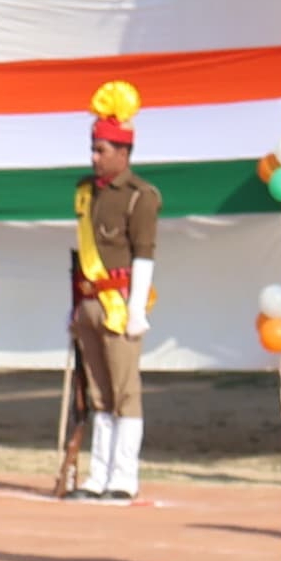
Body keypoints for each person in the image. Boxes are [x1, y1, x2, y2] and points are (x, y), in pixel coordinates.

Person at [68, 83, 161, 501]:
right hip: (89, 299)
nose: (95, 156)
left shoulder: (140, 195)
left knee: (124, 390)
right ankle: (98, 472)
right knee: (98, 390)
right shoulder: (86, 192)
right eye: (93, 148)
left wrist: (137, 307)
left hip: (119, 300)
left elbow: (144, 254)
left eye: (102, 149)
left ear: (123, 153)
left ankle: (123, 474)